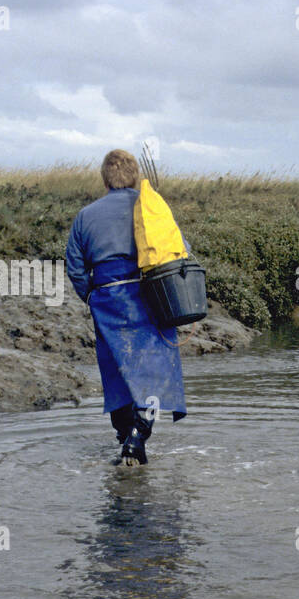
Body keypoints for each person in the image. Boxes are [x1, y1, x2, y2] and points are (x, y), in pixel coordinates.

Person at [65, 150, 187, 465]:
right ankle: (137, 439)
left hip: (107, 300)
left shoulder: (85, 215)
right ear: (135, 176)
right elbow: (179, 251)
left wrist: (90, 298)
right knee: (154, 370)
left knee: (116, 372)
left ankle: (125, 438)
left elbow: (75, 267)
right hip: (151, 298)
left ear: (105, 179)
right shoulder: (153, 208)